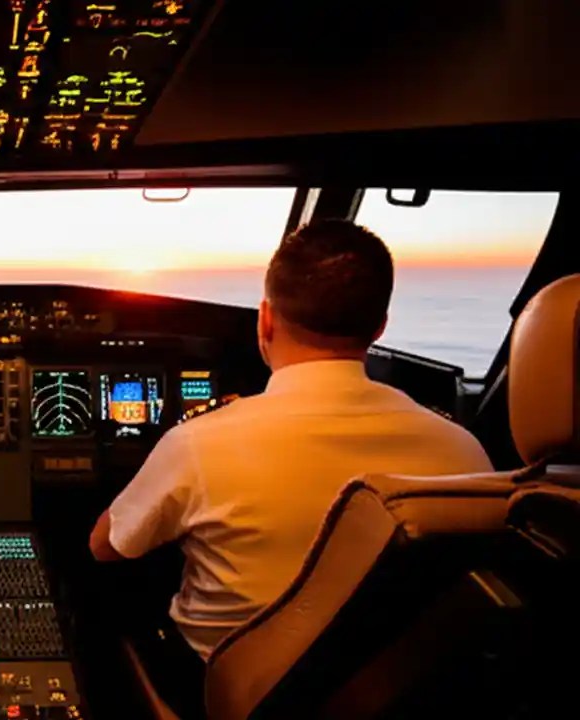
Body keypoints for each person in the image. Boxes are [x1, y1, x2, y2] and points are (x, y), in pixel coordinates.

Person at [89, 220, 493, 701]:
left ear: (265, 320)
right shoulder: (465, 454)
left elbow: (106, 546)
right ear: (380, 325)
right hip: (393, 695)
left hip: (224, 691)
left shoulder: (200, 442)